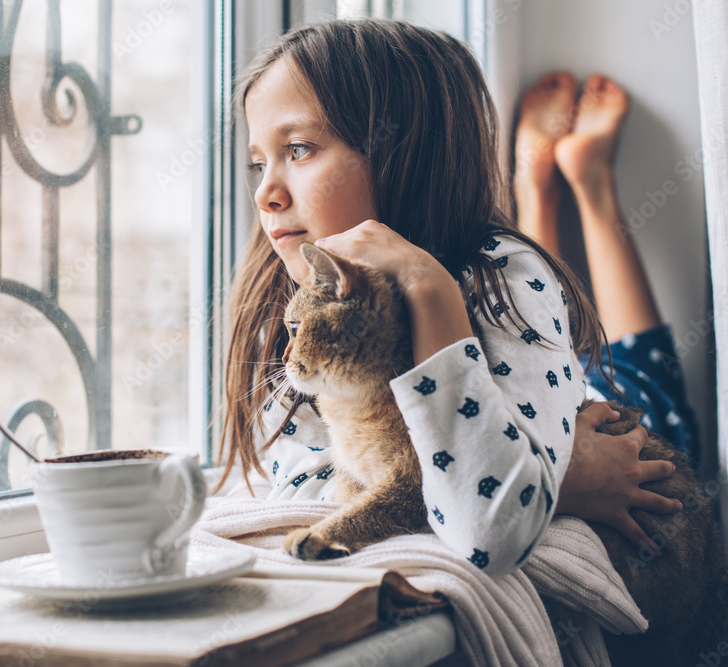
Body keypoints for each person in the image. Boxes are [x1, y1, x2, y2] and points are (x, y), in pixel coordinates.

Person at [215, 19, 680, 577]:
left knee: (653, 385)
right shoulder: (299, 304)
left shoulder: (503, 279)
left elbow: (488, 533)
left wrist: (427, 284)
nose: (265, 191)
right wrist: (555, 479)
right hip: (556, 407)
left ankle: (575, 182)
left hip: (609, 407)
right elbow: (306, 489)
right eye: (258, 162)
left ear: (403, 150)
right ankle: (540, 182)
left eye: (298, 148)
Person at [513, 70, 701, 461]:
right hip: (593, 422)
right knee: (562, 375)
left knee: (641, 388)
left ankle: (564, 186)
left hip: (606, 421)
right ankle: (543, 189)